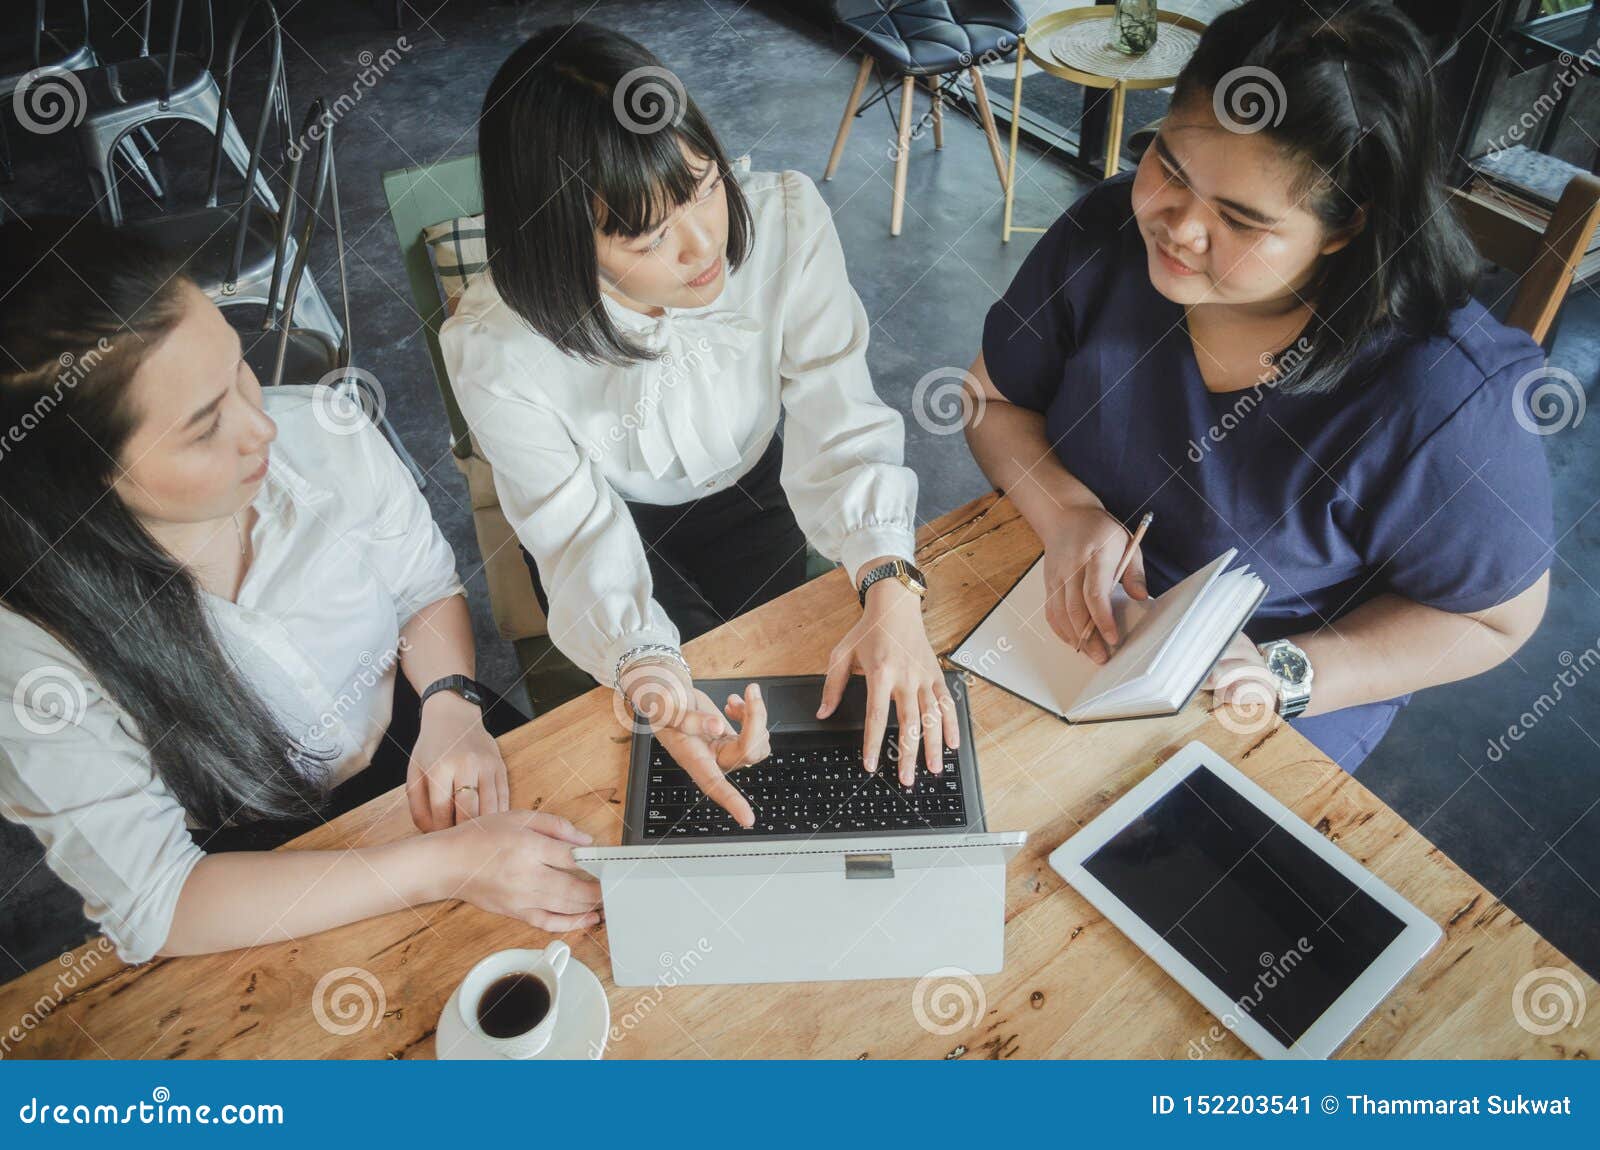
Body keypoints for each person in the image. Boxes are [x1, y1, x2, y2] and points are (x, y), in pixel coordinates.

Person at [965, 0, 1552, 770]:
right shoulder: (1107, 235)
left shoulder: (1446, 396)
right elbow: (989, 399)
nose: (1178, 228)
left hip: (1255, 695)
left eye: (1241, 220)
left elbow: (1496, 621)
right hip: (1057, 613)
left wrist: (1290, 673)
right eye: (1169, 167)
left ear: (1346, 226)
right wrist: (1067, 510)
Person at [0, 219, 600, 964]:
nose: (262, 427)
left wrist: (452, 705)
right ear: (81, 483)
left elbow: (422, 587)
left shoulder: (321, 431)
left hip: (427, 728)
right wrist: (448, 866)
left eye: (239, 368)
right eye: (204, 425)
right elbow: (158, 900)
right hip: (252, 864)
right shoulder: (30, 655)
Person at [442, 24, 956, 823]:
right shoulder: (495, 349)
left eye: (704, 185)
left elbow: (837, 410)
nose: (703, 244)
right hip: (611, 524)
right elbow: (575, 533)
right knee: (674, 762)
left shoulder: (786, 220)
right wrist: (647, 672)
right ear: (560, 243)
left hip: (760, 487)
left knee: (782, 702)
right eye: (649, 236)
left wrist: (891, 587)